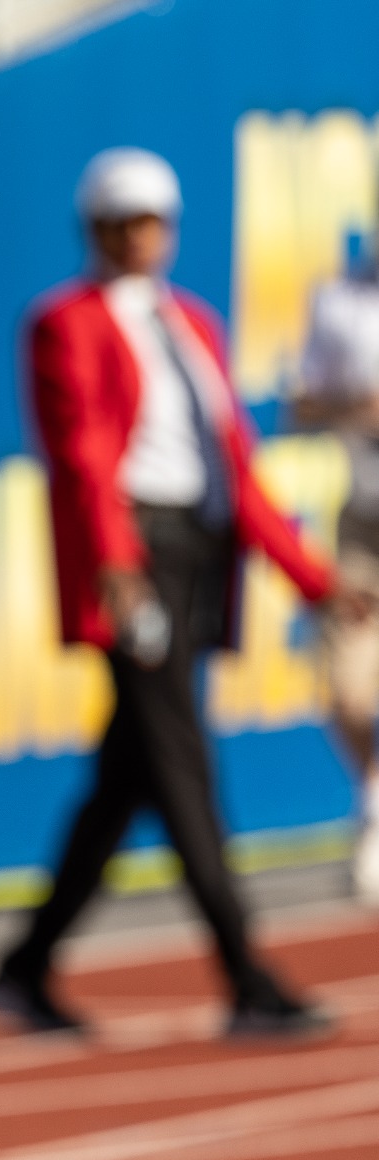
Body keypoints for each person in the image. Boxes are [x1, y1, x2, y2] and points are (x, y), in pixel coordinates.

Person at [0, 147, 343, 1038]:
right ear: (102, 229)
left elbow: (236, 465)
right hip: (135, 557)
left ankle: (23, 967)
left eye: (160, 220)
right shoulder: (64, 322)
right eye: (133, 221)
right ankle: (246, 971)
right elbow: (85, 459)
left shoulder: (194, 321)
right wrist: (116, 566)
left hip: (196, 556)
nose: (151, 238)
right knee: (181, 762)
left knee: (130, 775)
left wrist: (312, 580)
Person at [290, 249, 379, 905]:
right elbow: (303, 404)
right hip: (364, 520)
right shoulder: (340, 299)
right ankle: (374, 799)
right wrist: (351, 405)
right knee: (347, 688)